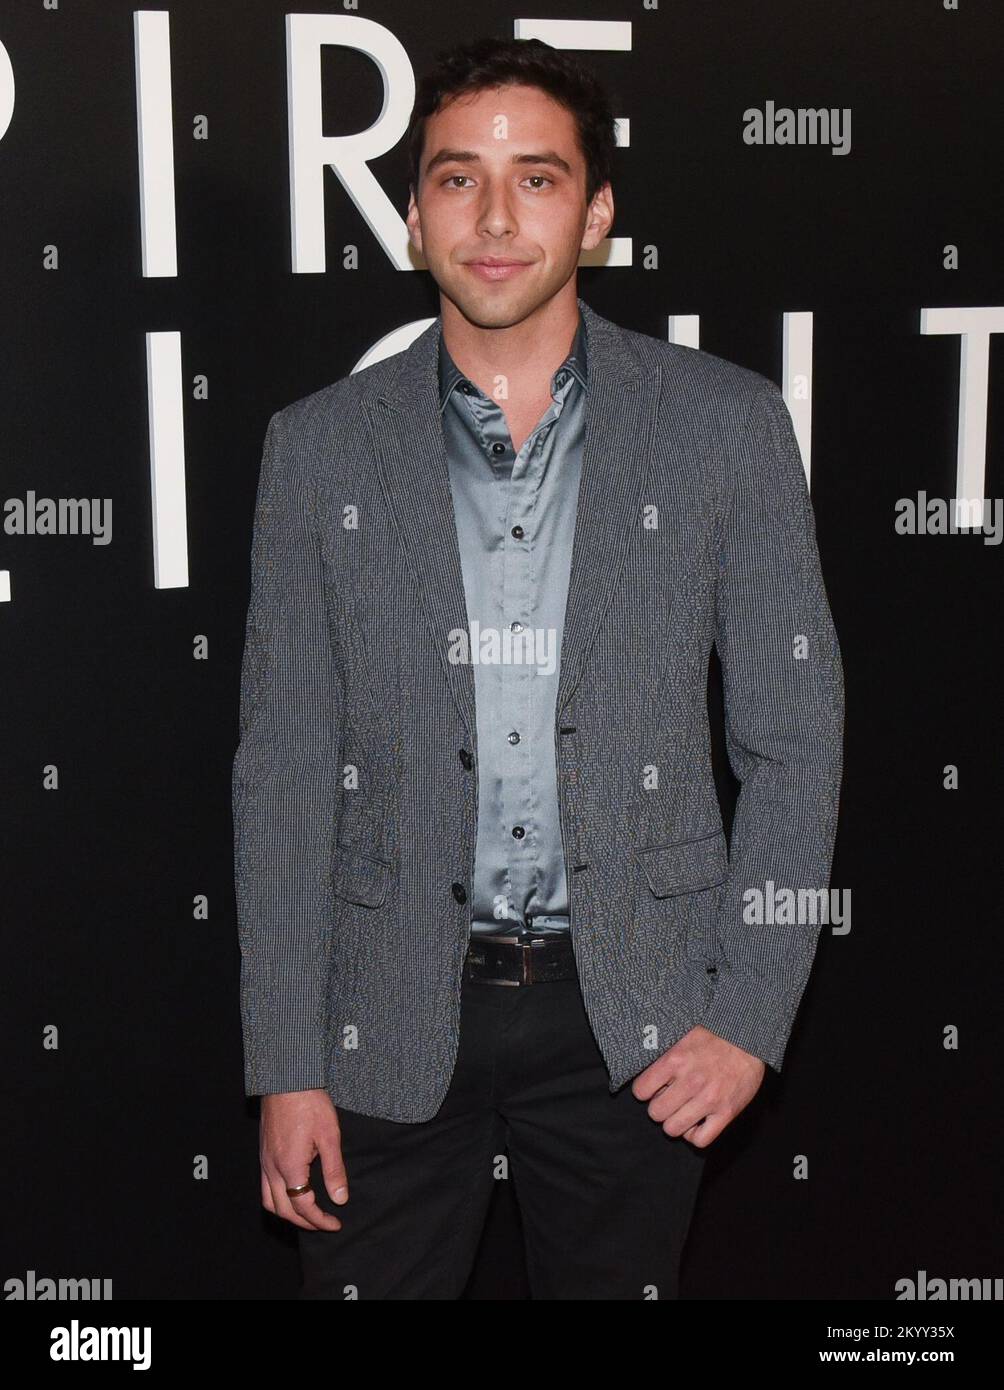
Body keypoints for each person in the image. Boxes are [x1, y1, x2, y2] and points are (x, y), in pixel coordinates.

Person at [231, 35, 844, 1300]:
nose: (496, 217)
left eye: (538, 178)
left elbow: (794, 734)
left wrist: (744, 1020)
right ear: (412, 214)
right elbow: (284, 769)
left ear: (598, 209)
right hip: (383, 1013)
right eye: (458, 180)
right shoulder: (316, 450)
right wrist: (285, 1058)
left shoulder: (724, 424)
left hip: (636, 1016)